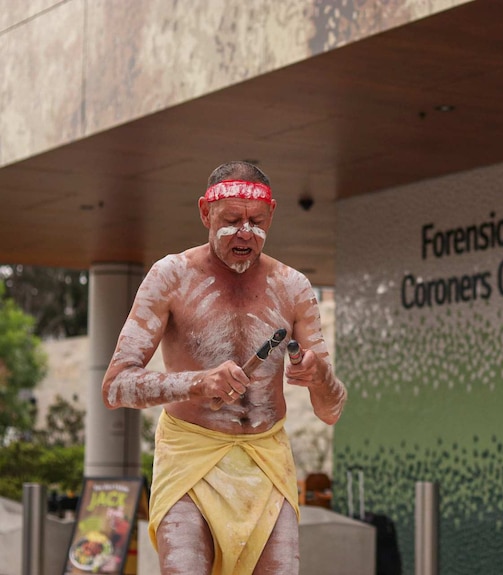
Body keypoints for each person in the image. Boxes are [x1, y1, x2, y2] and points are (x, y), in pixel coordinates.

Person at [101, 160, 347, 575]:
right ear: (204, 212)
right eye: (231, 220)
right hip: (191, 455)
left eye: (256, 221)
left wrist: (319, 377)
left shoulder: (294, 287)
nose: (245, 234)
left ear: (272, 216)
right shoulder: (171, 276)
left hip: (266, 458)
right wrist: (197, 383)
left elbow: (331, 409)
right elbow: (115, 386)